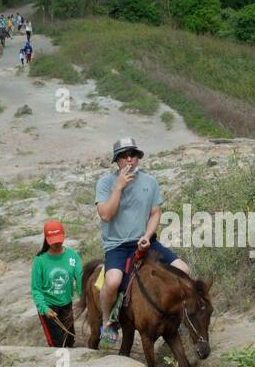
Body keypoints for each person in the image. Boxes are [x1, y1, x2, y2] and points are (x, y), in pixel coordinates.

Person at [95, 137, 191, 345]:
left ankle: (181, 317)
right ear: (117, 160)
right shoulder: (105, 183)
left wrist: (147, 236)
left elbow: (155, 212)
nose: (129, 159)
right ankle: (107, 322)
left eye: (132, 154)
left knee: (183, 269)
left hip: (146, 241)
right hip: (117, 245)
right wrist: (118, 187)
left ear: (138, 157)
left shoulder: (150, 182)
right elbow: (105, 215)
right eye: (123, 156)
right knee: (112, 282)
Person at [31, 219, 84, 348]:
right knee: (57, 344)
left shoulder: (72, 256)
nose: (57, 244)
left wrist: (84, 298)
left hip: (66, 305)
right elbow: (36, 289)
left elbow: (81, 278)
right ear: (47, 239)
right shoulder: (40, 261)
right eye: (53, 241)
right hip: (49, 308)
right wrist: (44, 308)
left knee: (70, 340)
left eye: (59, 240)